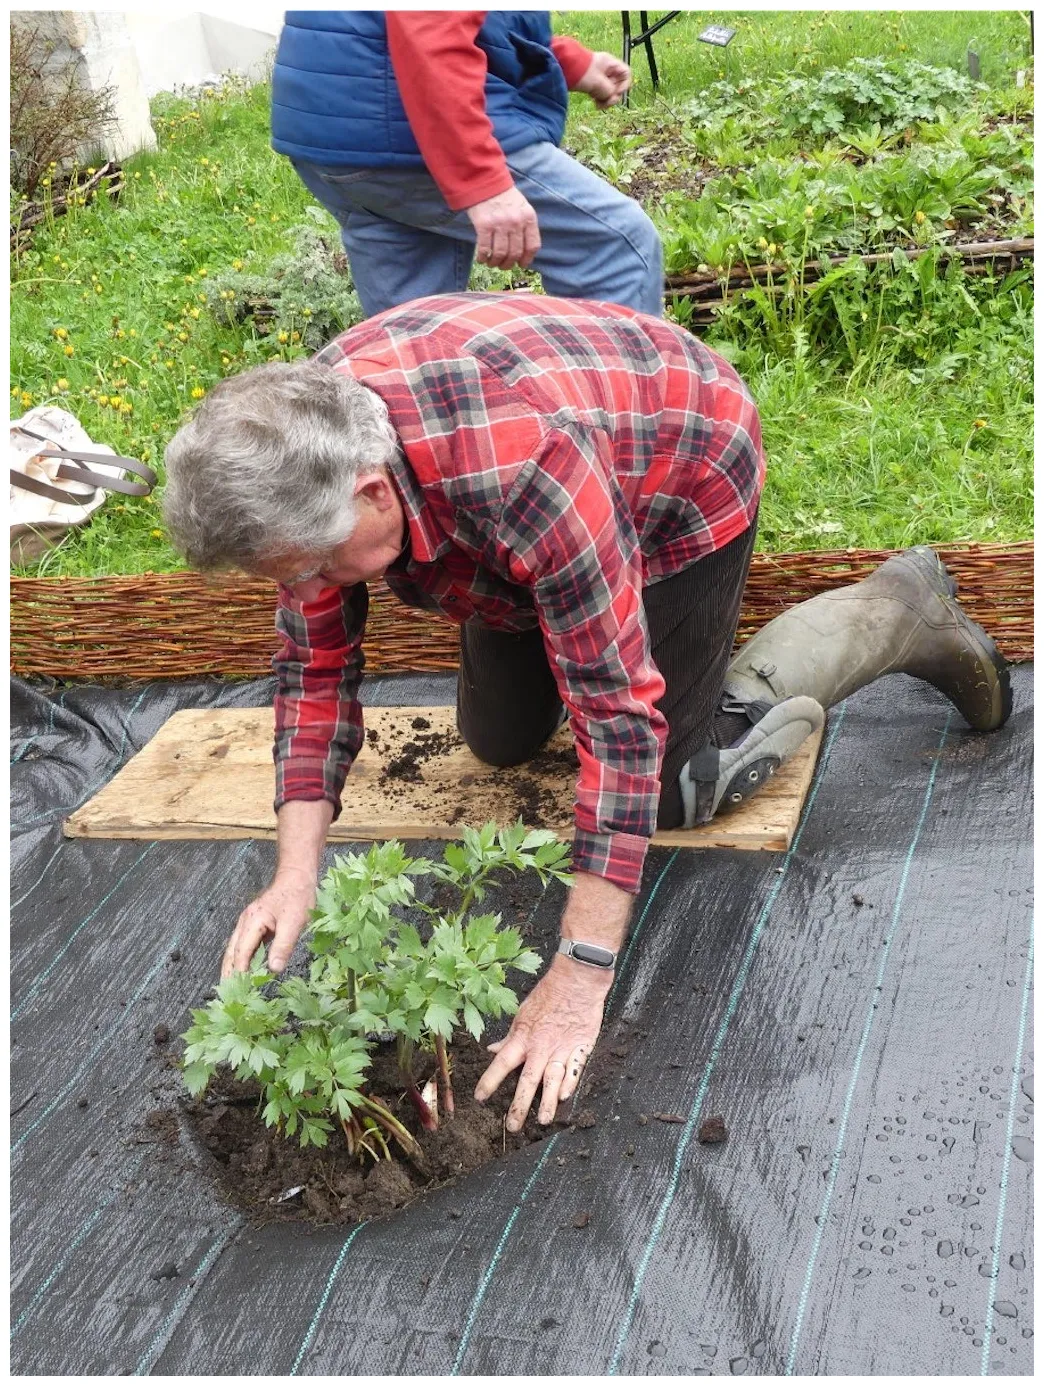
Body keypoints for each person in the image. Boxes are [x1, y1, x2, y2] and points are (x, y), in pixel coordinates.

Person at [162, 292, 1011, 1133]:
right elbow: (314, 668)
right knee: (497, 742)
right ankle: (565, 607)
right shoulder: (301, 459)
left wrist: (582, 970)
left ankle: (896, 610)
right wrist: (295, 873)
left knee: (675, 788)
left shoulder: (528, 469)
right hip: (534, 498)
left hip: (681, 470)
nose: (305, 592)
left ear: (377, 493)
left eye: (312, 566)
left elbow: (616, 721)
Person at [269, 11, 663, 317]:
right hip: (403, 125)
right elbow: (431, 33)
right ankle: (625, 418)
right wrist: (483, 183)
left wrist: (568, 61)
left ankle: (419, 417)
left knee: (415, 334)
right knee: (616, 250)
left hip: (330, 128)